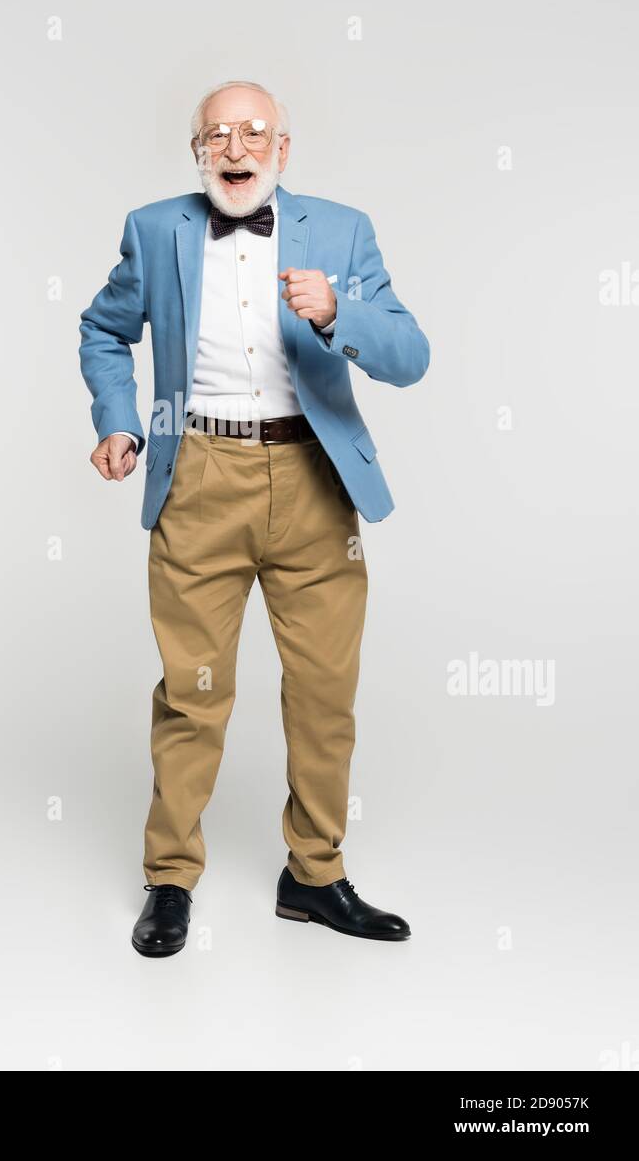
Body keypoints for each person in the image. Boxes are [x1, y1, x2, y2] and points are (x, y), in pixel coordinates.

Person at [79, 81, 430, 957]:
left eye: (254, 133)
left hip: (314, 480)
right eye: (215, 136)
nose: (235, 148)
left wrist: (338, 313)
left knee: (323, 694)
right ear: (197, 152)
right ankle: (169, 879)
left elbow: (410, 356)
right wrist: (119, 420)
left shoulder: (342, 230)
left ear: (283, 148)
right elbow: (101, 328)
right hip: (198, 472)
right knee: (192, 694)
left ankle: (313, 876)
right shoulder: (156, 227)